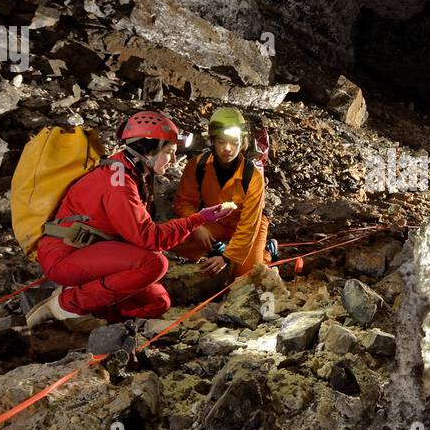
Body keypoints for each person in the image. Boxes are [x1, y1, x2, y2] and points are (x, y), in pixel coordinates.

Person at [26, 110, 236, 332]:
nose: (174, 160)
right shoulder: (119, 182)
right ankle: (63, 306)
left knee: (158, 301)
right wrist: (200, 219)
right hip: (65, 255)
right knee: (154, 264)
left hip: (94, 252)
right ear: (148, 150)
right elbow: (149, 238)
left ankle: (94, 315)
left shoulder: (134, 173)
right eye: (169, 152)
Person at [172, 106, 272, 289]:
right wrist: (197, 225)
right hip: (214, 221)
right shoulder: (198, 165)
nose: (228, 148)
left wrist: (226, 257)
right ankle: (218, 247)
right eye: (221, 142)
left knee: (245, 278)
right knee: (174, 243)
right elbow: (184, 202)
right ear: (212, 141)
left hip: (249, 225)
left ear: (242, 142)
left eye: (234, 142)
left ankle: (267, 251)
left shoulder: (253, 176)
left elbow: (249, 223)